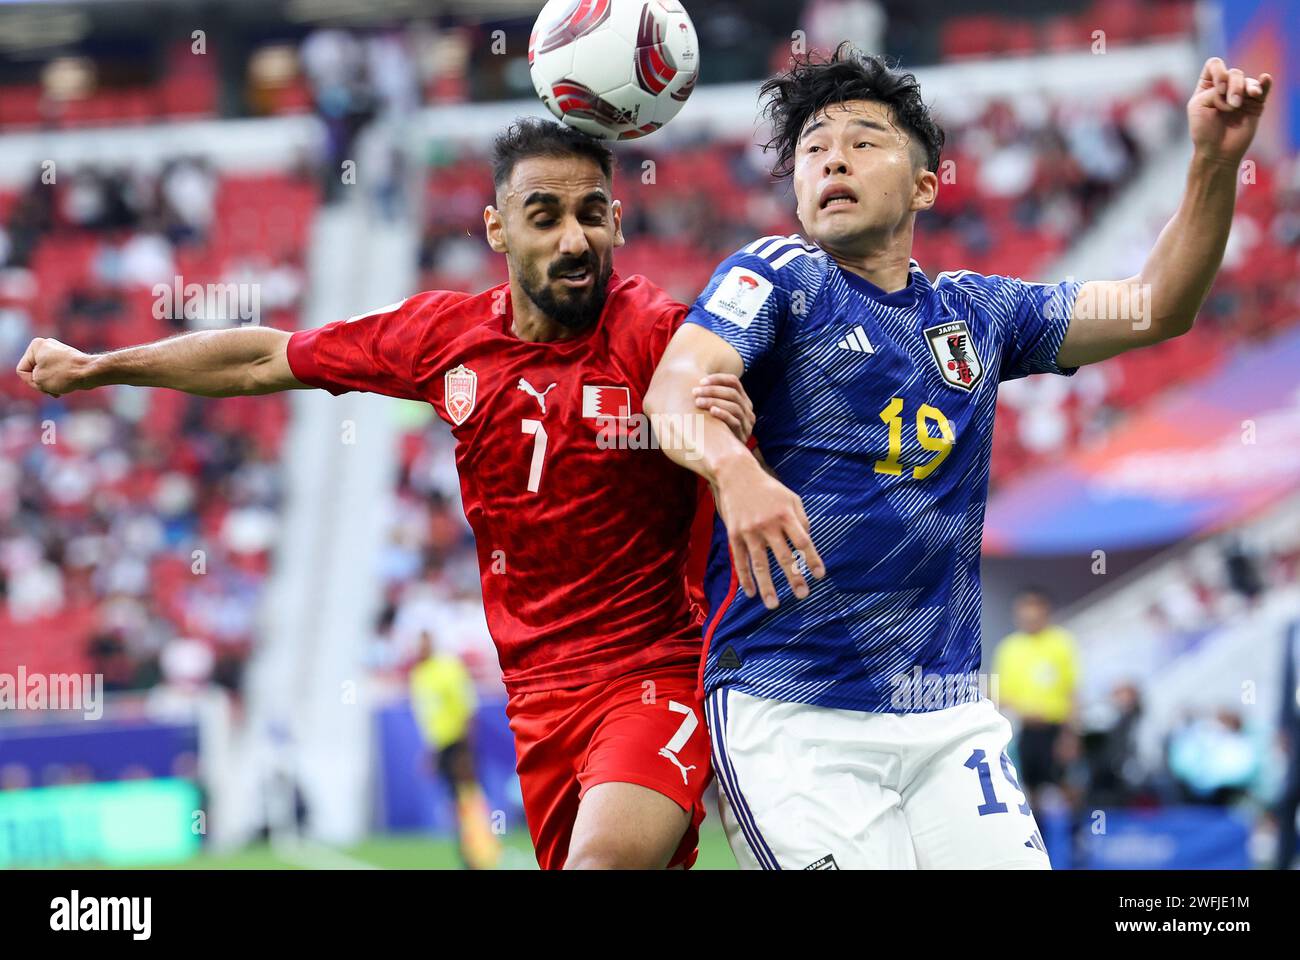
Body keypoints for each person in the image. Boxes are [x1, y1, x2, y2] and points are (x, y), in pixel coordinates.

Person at [17, 118, 757, 870]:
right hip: (535, 698)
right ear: (498, 229)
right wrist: (100, 366)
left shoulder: (662, 337)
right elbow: (263, 360)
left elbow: (752, 394)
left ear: (618, 222)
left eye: (592, 215)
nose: (574, 239)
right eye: (546, 216)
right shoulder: (445, 339)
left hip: (654, 671)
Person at [644, 46, 1272, 869]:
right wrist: (736, 472)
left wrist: (1212, 165)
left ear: (926, 185)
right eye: (812, 148)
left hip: (948, 716)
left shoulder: (977, 312)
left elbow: (1157, 308)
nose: (833, 156)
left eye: (864, 140)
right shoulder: (778, 275)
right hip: (791, 709)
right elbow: (672, 394)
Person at [408, 628, 499, 870]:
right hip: (442, 747)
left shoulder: (448, 668)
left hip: (458, 745)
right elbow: (431, 718)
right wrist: (432, 752)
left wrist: (466, 749)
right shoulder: (418, 675)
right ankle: (469, 851)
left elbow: (467, 707)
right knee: (454, 802)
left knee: (468, 797)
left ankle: (482, 853)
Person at [993, 586, 1079, 810]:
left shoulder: (1061, 643)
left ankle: (1078, 840)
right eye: (1025, 608)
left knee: (1067, 788)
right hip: (1024, 731)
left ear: (1045, 610)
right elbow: (998, 694)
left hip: (1056, 728)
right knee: (1029, 793)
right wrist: (1024, 710)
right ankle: (1038, 842)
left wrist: (1070, 735)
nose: (1030, 614)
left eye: (1035, 607)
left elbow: (1072, 691)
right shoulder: (1009, 648)